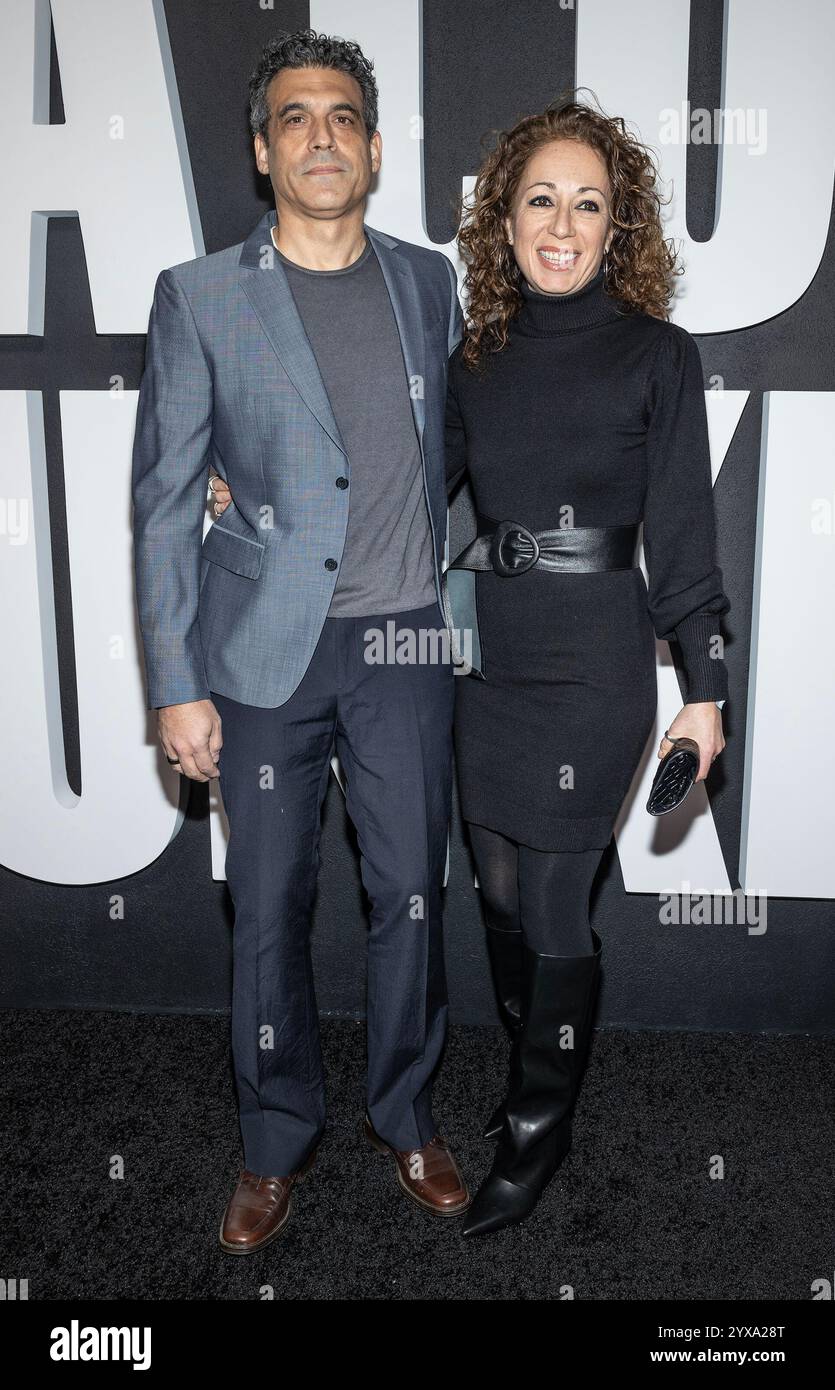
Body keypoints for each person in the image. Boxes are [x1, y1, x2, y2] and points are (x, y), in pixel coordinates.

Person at [131, 28, 470, 1256]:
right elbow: (167, 498)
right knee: (267, 907)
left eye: (340, 116)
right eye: (294, 118)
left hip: (403, 648)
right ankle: (273, 1139)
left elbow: (459, 459)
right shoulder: (200, 295)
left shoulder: (429, 280)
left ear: (373, 148)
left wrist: (461, 610)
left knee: (412, 897)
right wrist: (175, 683)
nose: (319, 134)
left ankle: (408, 1115)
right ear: (262, 151)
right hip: (264, 659)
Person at [442, 96, 730, 1236]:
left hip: (598, 668)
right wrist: (249, 491)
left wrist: (703, 694)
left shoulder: (657, 355)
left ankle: (534, 1128)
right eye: (540, 200)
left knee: (557, 901)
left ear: (621, 227)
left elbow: (687, 541)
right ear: (503, 220)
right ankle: (535, 1048)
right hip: (492, 662)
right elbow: (394, 485)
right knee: (500, 896)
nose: (561, 225)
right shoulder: (477, 357)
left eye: (589, 204)